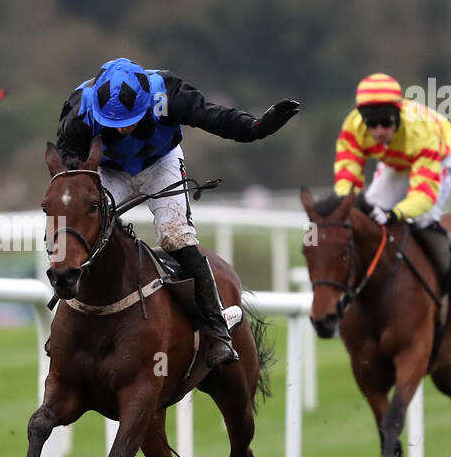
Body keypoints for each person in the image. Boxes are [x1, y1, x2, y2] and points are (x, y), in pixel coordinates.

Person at [56, 56, 300, 365]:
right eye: (114, 124)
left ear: (145, 103)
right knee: (87, 231)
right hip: (108, 170)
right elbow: (68, 161)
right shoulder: (81, 107)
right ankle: (72, 322)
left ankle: (216, 330)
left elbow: (213, 117)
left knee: (176, 237)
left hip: (161, 163)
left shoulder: (167, 92)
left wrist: (255, 128)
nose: (122, 131)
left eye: (128, 121)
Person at [332, 72, 451, 316]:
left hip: (440, 157)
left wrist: (395, 214)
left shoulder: (420, 131)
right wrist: (350, 204)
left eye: (386, 122)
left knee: (423, 219)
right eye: (372, 123)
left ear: (398, 113)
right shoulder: (353, 127)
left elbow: (423, 196)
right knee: (368, 210)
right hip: (396, 162)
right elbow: (346, 178)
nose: (379, 130)